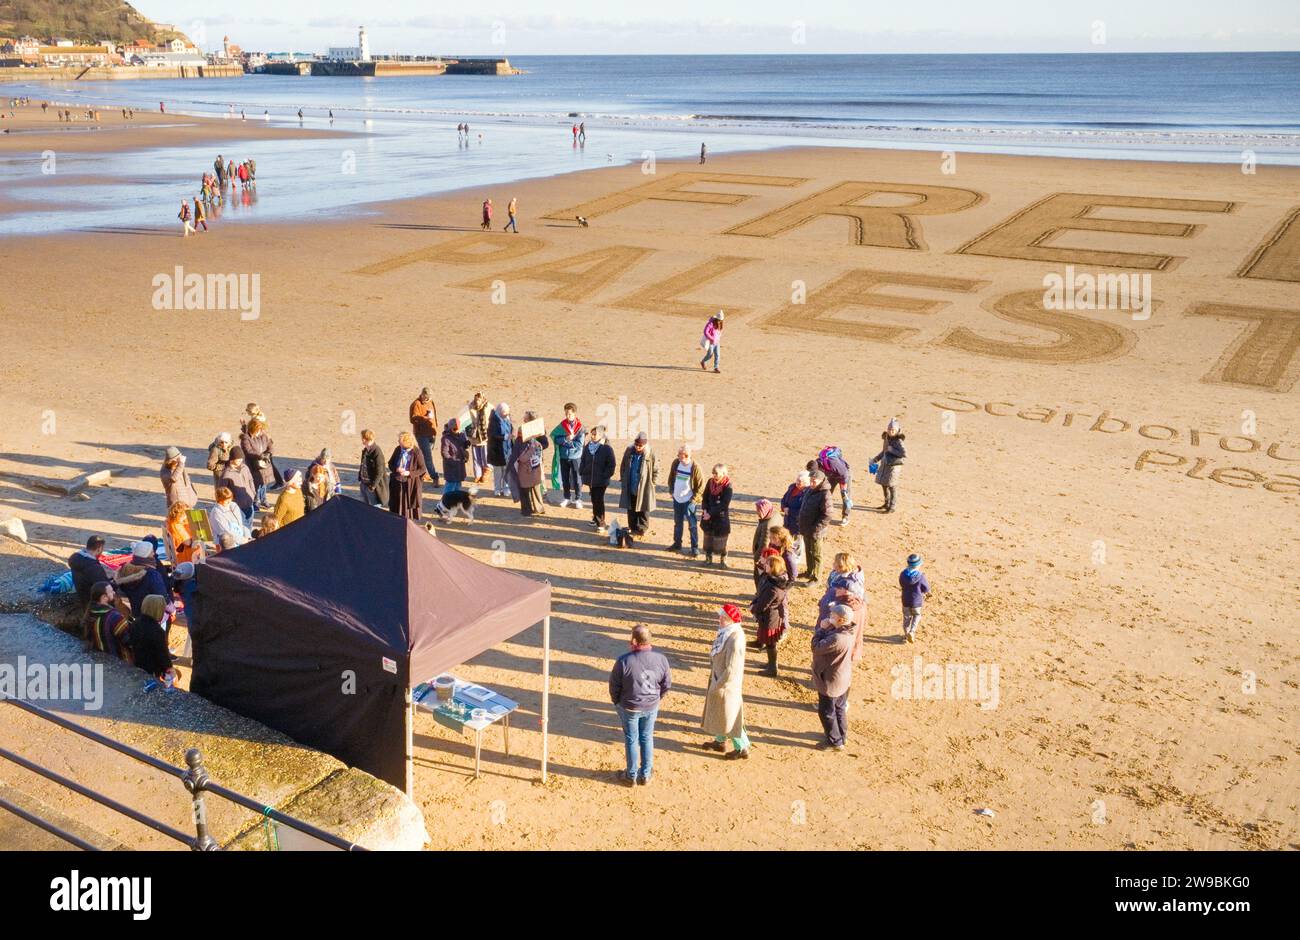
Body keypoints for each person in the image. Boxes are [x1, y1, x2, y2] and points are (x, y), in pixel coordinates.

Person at [608, 625, 672, 786]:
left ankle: (631, 775)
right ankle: (646, 773)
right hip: (651, 705)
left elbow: (614, 686)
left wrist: (617, 702)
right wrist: (657, 698)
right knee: (647, 737)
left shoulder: (623, 661)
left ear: (634, 641)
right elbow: (666, 684)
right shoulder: (661, 659)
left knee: (631, 739)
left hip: (629, 707)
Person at [701, 604, 750, 758]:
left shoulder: (735, 638)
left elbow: (732, 668)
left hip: (726, 685)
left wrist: (718, 685)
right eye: (721, 616)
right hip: (719, 679)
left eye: (724, 618)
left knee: (731, 716)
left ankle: (742, 747)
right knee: (720, 712)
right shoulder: (727, 632)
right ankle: (720, 740)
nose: (720, 619)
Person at [811, 603, 857, 750]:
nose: (830, 618)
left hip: (831, 681)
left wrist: (821, 630)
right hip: (842, 679)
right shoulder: (848, 631)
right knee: (839, 708)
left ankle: (835, 741)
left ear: (841, 620)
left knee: (826, 712)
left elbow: (816, 647)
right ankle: (842, 736)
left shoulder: (837, 638)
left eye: (833, 616)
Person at [751, 554, 788, 676]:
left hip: (769, 619)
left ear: (773, 568)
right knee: (770, 643)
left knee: (771, 643)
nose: (765, 565)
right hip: (771, 618)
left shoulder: (773, 588)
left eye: (767, 564)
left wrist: (754, 608)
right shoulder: (774, 581)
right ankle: (771, 664)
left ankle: (772, 668)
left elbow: (763, 604)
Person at [115, 542, 171, 622]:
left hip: (135, 611)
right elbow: (162, 595)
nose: (154, 553)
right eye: (151, 551)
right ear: (146, 554)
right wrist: (171, 608)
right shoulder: (152, 574)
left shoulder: (125, 568)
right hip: (152, 614)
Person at [130, 594, 177, 686]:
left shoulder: (135, 623)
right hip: (151, 669)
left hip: (136, 662)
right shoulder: (157, 631)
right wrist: (169, 668)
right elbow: (163, 655)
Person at [667, 443, 704, 557]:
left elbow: (700, 486)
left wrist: (693, 500)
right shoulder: (676, 463)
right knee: (677, 523)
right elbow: (671, 478)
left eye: (680, 455)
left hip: (688, 501)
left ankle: (694, 548)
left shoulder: (695, 467)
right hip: (677, 499)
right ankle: (677, 544)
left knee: (692, 525)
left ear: (686, 456)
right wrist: (672, 491)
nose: (678, 457)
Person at [618, 432, 658, 537]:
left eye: (640, 446)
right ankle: (632, 527)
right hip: (630, 484)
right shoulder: (629, 451)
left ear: (645, 445)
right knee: (631, 507)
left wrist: (653, 483)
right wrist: (623, 478)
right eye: (636, 445)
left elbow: (655, 470)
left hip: (644, 486)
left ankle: (642, 528)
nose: (638, 447)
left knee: (643, 508)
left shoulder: (651, 453)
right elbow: (623, 466)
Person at [579, 424, 616, 533]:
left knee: (599, 500)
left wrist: (605, 475)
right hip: (590, 478)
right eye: (592, 434)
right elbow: (583, 459)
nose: (593, 436)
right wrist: (582, 471)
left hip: (601, 481)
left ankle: (601, 522)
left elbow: (611, 464)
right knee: (594, 499)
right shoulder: (588, 446)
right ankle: (595, 518)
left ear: (601, 435)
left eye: (595, 434)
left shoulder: (607, 448)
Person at [797, 469, 832, 582]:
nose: (811, 483)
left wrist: (815, 528)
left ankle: (816, 578)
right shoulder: (810, 490)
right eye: (810, 480)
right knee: (808, 551)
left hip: (816, 531)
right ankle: (809, 571)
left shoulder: (825, 494)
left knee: (816, 554)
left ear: (821, 481)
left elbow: (827, 515)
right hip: (806, 528)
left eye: (814, 481)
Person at [510, 414, 549, 517]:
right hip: (534, 466)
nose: (523, 419)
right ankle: (536, 509)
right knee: (533, 488)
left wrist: (536, 446)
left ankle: (529, 510)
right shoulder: (534, 432)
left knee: (528, 489)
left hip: (528, 467)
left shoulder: (536, 433)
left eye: (525, 418)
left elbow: (545, 444)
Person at [83, 581, 132, 662]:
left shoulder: (90, 612)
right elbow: (128, 641)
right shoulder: (115, 617)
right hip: (118, 662)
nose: (114, 593)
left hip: (99, 659)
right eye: (111, 591)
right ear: (104, 597)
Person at [551, 402, 585, 509]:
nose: (567, 416)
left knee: (577, 479)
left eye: (569, 414)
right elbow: (555, 438)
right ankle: (567, 497)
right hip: (564, 456)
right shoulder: (562, 425)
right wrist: (566, 439)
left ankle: (578, 498)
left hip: (576, 457)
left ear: (574, 414)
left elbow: (579, 444)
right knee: (565, 478)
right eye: (566, 413)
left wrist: (567, 443)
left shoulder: (580, 428)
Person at [239, 418, 276, 510]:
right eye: (258, 430)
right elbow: (248, 451)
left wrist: (268, 453)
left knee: (264, 483)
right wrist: (260, 456)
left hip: (264, 464)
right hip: (253, 464)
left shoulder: (263, 435)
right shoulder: (245, 438)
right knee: (255, 483)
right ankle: (256, 500)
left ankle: (263, 499)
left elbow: (270, 445)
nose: (260, 431)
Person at [388, 432, 427, 520]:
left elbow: (423, 469)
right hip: (397, 483)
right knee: (396, 505)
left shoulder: (416, 452)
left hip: (409, 485)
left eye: (400, 440)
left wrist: (409, 473)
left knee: (406, 508)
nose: (398, 442)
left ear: (406, 442)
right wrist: (396, 469)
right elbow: (390, 463)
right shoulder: (398, 449)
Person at [700, 463, 733, 567]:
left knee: (722, 538)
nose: (714, 475)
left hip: (720, 516)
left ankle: (723, 560)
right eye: (713, 473)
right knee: (708, 537)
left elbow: (724, 503)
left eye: (716, 473)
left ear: (723, 473)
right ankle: (708, 558)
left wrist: (710, 513)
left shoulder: (728, 485)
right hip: (708, 515)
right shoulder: (710, 482)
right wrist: (705, 510)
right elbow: (704, 497)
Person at [872, 418, 906, 513]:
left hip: (893, 467)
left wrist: (892, 450)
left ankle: (892, 507)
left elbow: (904, 454)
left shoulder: (899, 441)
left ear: (897, 430)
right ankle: (886, 503)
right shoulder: (886, 438)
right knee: (884, 484)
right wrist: (875, 459)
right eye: (889, 429)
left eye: (893, 430)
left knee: (892, 487)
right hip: (885, 465)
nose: (891, 431)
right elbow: (884, 451)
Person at [814, 445, 853, 526]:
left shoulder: (832, 462)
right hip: (832, 474)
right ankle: (822, 512)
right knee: (826, 492)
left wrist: (844, 487)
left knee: (845, 495)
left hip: (844, 475)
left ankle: (845, 517)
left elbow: (844, 474)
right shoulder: (818, 463)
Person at [409, 387, 440, 486]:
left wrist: (435, 427)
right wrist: (425, 418)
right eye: (426, 398)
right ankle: (435, 476)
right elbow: (413, 419)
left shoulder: (431, 402)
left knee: (424, 455)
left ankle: (422, 472)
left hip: (432, 433)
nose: (427, 400)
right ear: (422, 395)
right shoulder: (416, 404)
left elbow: (434, 415)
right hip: (421, 434)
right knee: (428, 456)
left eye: (429, 398)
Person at [219, 447, 258, 525]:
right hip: (237, 506)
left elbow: (251, 480)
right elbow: (222, 491)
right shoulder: (226, 474)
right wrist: (231, 502)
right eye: (238, 458)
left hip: (249, 502)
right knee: (241, 526)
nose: (241, 460)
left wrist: (253, 493)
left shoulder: (245, 467)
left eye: (241, 458)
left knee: (249, 525)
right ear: (232, 458)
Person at [68, 536, 110, 605]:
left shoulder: (75, 557)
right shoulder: (95, 568)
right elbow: (107, 587)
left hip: (83, 598)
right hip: (96, 604)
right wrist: (116, 579)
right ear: (99, 549)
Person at [900, 553, 931, 644]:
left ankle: (906, 634)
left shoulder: (903, 574)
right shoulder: (920, 576)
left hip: (906, 600)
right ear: (918, 565)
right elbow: (925, 588)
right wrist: (926, 593)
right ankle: (912, 631)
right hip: (916, 601)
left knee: (907, 618)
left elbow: (901, 583)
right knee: (917, 615)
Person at [780, 470, 809, 556]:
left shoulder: (807, 493)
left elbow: (803, 510)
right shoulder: (792, 487)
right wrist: (784, 507)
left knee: (797, 541)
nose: (797, 482)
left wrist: (789, 511)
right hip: (787, 520)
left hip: (798, 523)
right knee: (785, 538)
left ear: (806, 483)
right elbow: (784, 498)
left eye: (800, 481)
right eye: (797, 480)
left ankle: (796, 557)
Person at [160, 446, 198, 512]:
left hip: (188, 503)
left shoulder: (179, 467)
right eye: (178, 458)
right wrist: (181, 464)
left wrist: (193, 494)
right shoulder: (165, 472)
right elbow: (174, 478)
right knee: (178, 521)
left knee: (195, 521)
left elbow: (187, 481)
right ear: (173, 460)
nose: (180, 460)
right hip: (177, 506)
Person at [358, 429, 389, 508]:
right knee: (365, 508)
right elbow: (362, 465)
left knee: (375, 509)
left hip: (371, 487)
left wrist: (373, 486)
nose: (362, 440)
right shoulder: (365, 450)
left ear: (367, 439)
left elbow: (380, 472)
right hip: (364, 484)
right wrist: (360, 479)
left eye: (363, 438)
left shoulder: (377, 452)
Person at [488, 402, 514, 496]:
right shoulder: (493, 421)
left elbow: (511, 429)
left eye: (507, 413)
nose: (506, 415)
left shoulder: (507, 418)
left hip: (508, 449)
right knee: (498, 472)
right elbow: (492, 435)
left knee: (507, 470)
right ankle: (497, 489)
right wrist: (506, 437)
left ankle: (506, 488)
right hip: (497, 451)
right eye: (504, 413)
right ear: (499, 412)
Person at [465, 393, 491, 484]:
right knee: (476, 456)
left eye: (479, 400)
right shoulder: (470, 407)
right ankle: (478, 474)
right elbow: (465, 419)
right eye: (476, 399)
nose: (477, 401)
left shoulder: (488, 408)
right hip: (474, 435)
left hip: (484, 436)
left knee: (485, 456)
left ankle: (486, 472)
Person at [165, 501, 201, 566]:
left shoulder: (170, 520)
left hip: (179, 554)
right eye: (186, 514)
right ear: (181, 514)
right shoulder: (176, 526)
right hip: (185, 557)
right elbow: (188, 543)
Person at [440, 418, 470, 495]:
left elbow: (463, 446)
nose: (456, 430)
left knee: (458, 485)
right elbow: (444, 453)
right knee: (450, 486)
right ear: (450, 428)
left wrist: (466, 444)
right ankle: (445, 503)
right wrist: (452, 462)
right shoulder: (446, 438)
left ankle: (454, 502)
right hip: (451, 466)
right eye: (454, 429)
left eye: (457, 429)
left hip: (460, 464)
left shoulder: (462, 435)